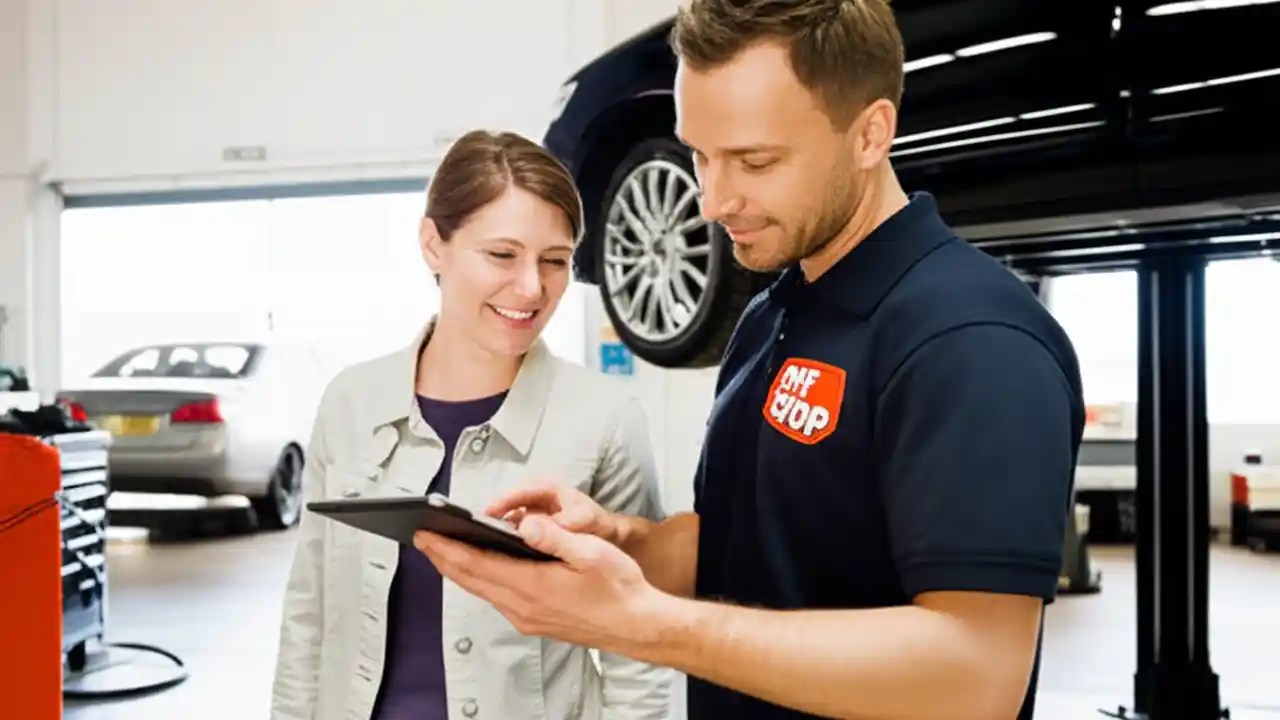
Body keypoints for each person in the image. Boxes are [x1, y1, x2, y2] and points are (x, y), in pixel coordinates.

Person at [414, 2, 1086, 720]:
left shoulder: (970, 339)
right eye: (700, 153)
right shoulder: (772, 315)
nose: (711, 199)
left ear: (870, 134)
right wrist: (620, 544)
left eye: (755, 161)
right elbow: (742, 543)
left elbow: (977, 678)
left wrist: (643, 626)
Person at [269, 129, 673, 720]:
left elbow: (638, 650)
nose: (532, 288)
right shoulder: (350, 402)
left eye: (555, 261)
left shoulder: (605, 421)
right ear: (434, 244)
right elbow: (309, 612)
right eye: (503, 255)